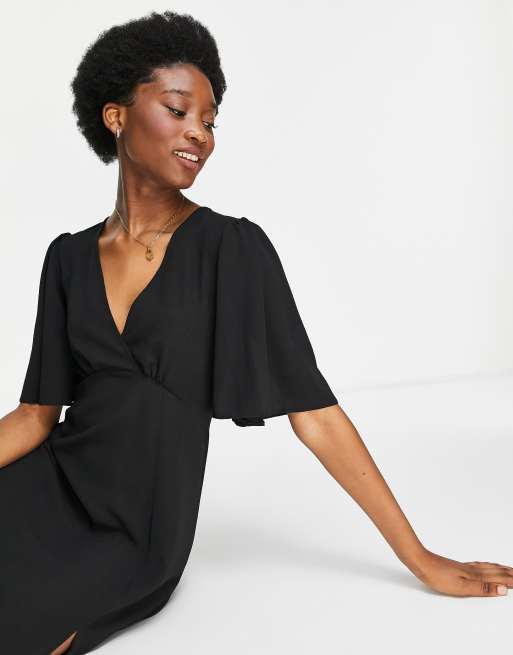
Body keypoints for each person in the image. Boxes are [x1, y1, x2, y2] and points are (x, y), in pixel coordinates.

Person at [0, 9, 510, 655]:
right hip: (46, 484)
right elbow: (36, 416)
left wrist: (420, 556)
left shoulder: (231, 248)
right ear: (116, 116)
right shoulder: (68, 257)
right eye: (178, 110)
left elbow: (315, 415)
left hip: (134, 532)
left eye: (209, 121)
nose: (199, 133)